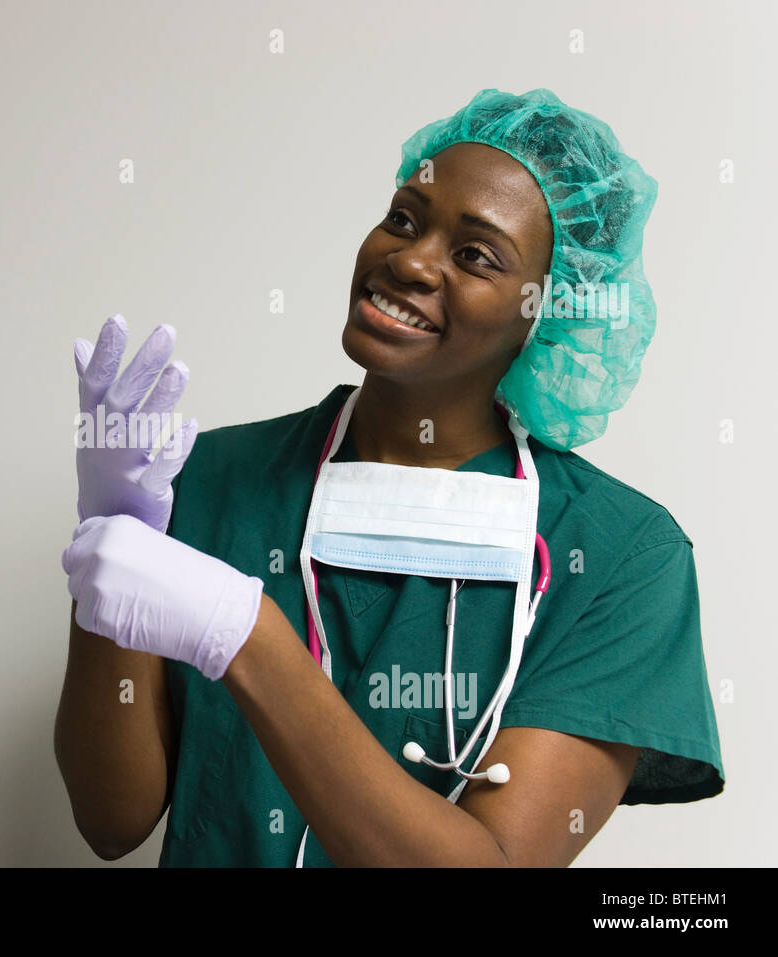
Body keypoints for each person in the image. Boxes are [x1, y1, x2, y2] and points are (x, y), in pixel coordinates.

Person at [54, 88, 724, 867]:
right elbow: (112, 819)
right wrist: (112, 538)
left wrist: (247, 637)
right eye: (405, 218)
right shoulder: (207, 480)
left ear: (551, 309)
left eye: (475, 255)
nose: (408, 260)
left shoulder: (619, 555)